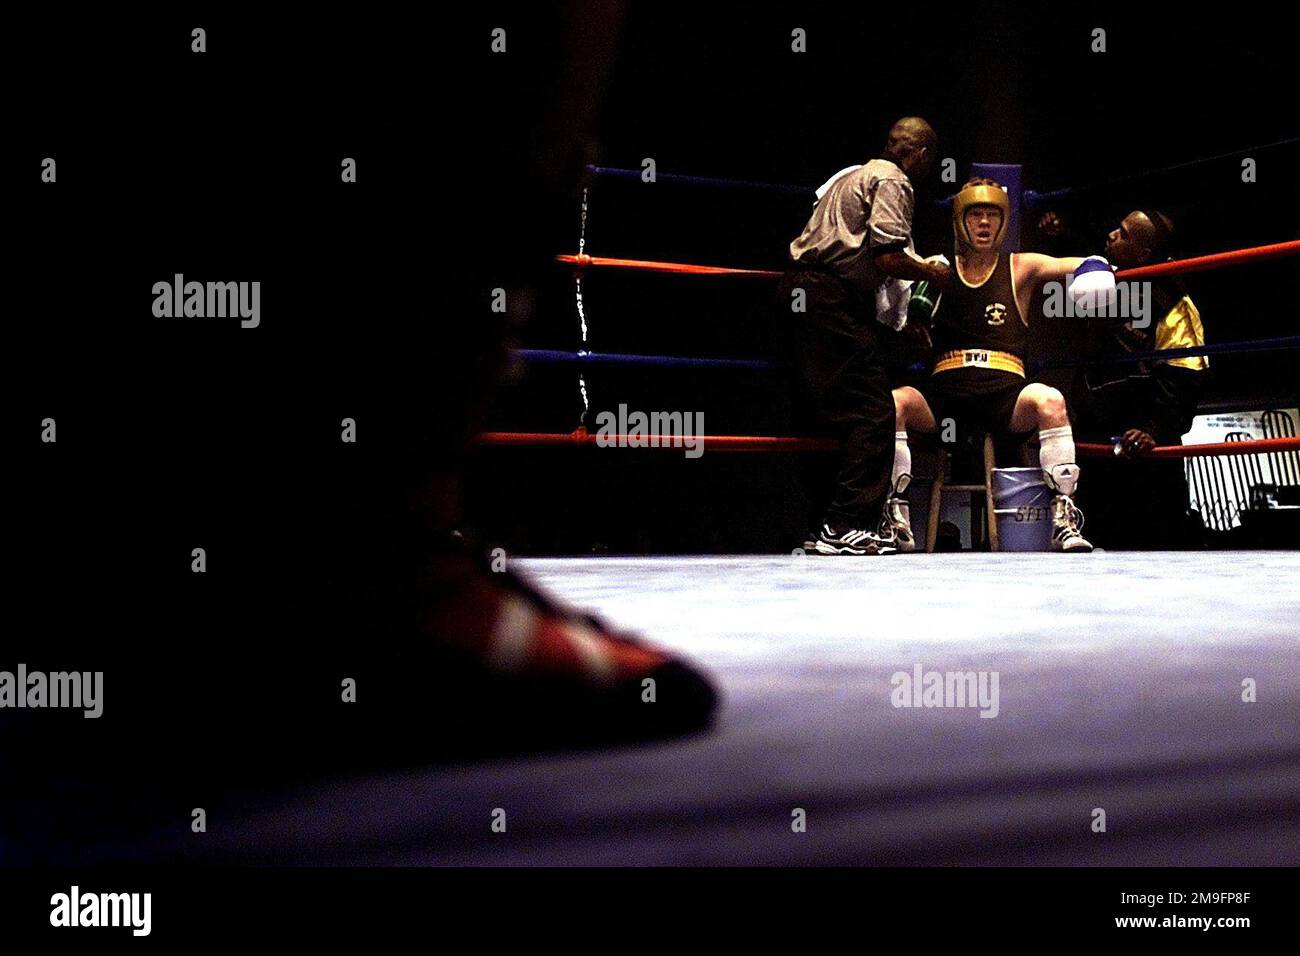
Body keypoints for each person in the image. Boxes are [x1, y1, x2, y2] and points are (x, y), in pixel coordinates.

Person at [885, 178, 1109, 553]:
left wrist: (1097, 268)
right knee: (894, 403)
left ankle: (1064, 519)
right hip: (946, 394)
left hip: (1005, 397)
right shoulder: (935, 270)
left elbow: (1083, 262)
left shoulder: (1020, 267)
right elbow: (894, 305)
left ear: (1004, 222)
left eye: (992, 215)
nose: (985, 224)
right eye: (976, 216)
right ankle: (897, 520)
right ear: (961, 221)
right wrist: (914, 324)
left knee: (1051, 401)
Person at [779, 117, 953, 556]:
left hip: (803, 293)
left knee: (829, 409)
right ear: (922, 155)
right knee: (873, 410)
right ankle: (843, 525)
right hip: (829, 296)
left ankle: (825, 523)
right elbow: (889, 256)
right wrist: (931, 273)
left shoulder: (851, 175)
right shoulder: (894, 179)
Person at [1074, 209, 1208, 547]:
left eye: (1123, 234)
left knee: (1154, 543)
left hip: (1145, 444)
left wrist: (1155, 429)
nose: (1111, 235)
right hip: (1097, 437)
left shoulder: (1173, 300)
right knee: (1092, 541)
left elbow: (1186, 375)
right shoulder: (1106, 282)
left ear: (1143, 253)